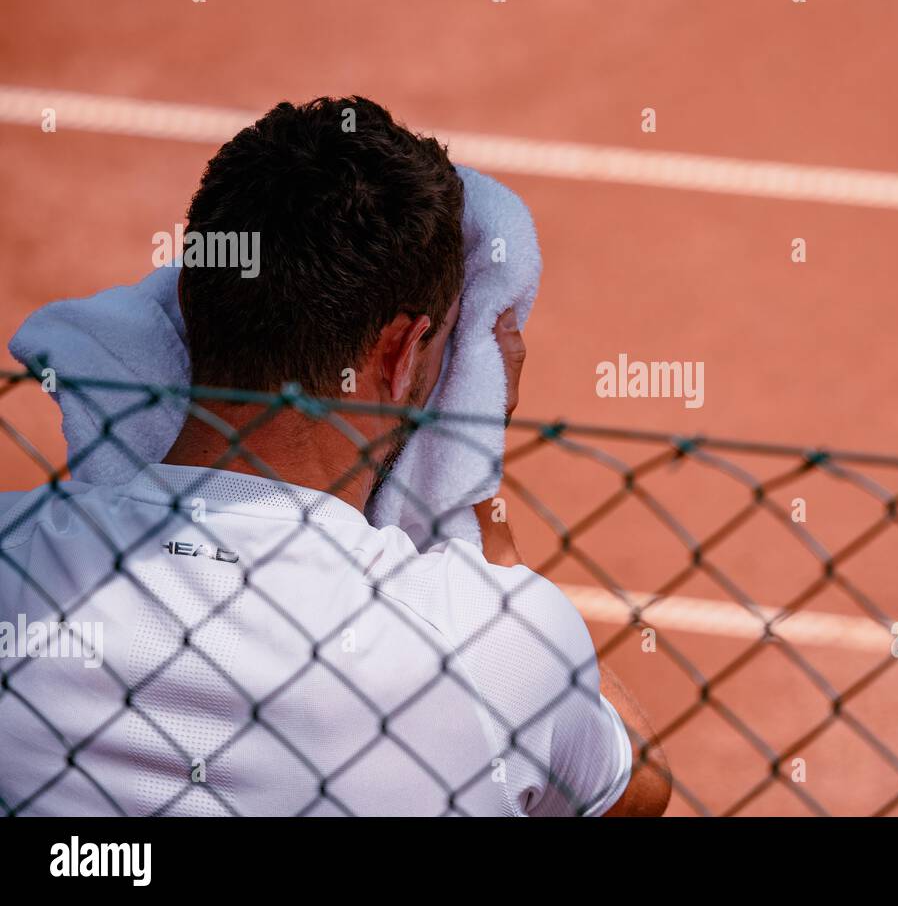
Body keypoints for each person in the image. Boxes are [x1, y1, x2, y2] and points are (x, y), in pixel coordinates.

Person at [0, 97, 670, 817]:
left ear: (188, 299)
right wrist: (475, 475)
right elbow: (638, 787)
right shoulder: (488, 645)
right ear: (403, 353)